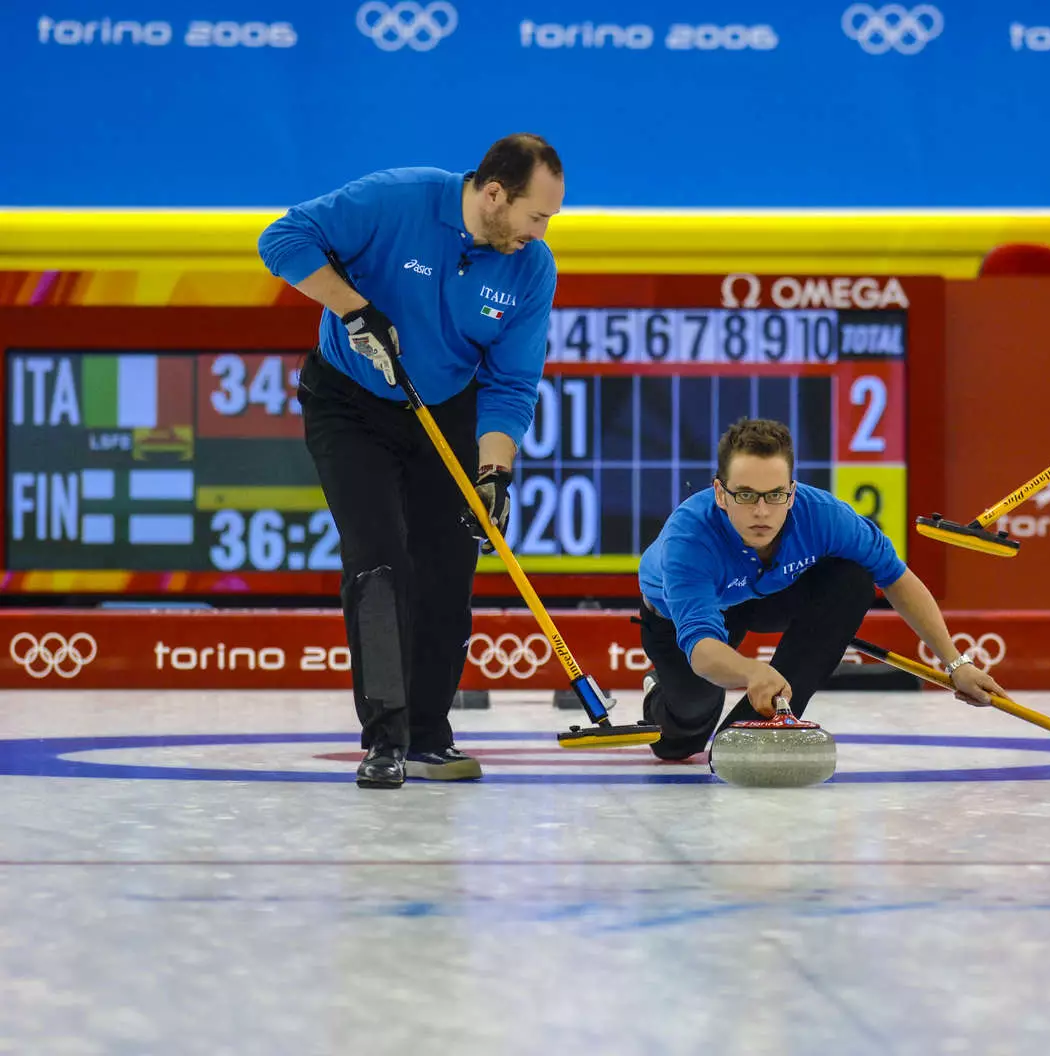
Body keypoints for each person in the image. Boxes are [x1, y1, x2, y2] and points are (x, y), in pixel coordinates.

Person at [257, 134, 565, 788]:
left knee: (448, 572)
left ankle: (428, 736)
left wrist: (494, 475)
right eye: (536, 216)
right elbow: (281, 240)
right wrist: (355, 309)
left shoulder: (531, 267)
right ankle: (385, 738)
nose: (540, 233)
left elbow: (510, 384)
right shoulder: (396, 199)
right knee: (380, 562)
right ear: (491, 194)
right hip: (351, 404)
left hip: (445, 409)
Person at [636, 418, 1005, 759]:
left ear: (792, 493)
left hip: (768, 595)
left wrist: (957, 664)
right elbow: (701, 649)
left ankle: (757, 731)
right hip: (683, 616)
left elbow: (896, 577)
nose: (762, 511)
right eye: (746, 495)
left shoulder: (825, 516)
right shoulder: (689, 537)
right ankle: (659, 691)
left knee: (853, 577)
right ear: (720, 493)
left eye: (775, 494)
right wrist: (752, 672)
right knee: (682, 737)